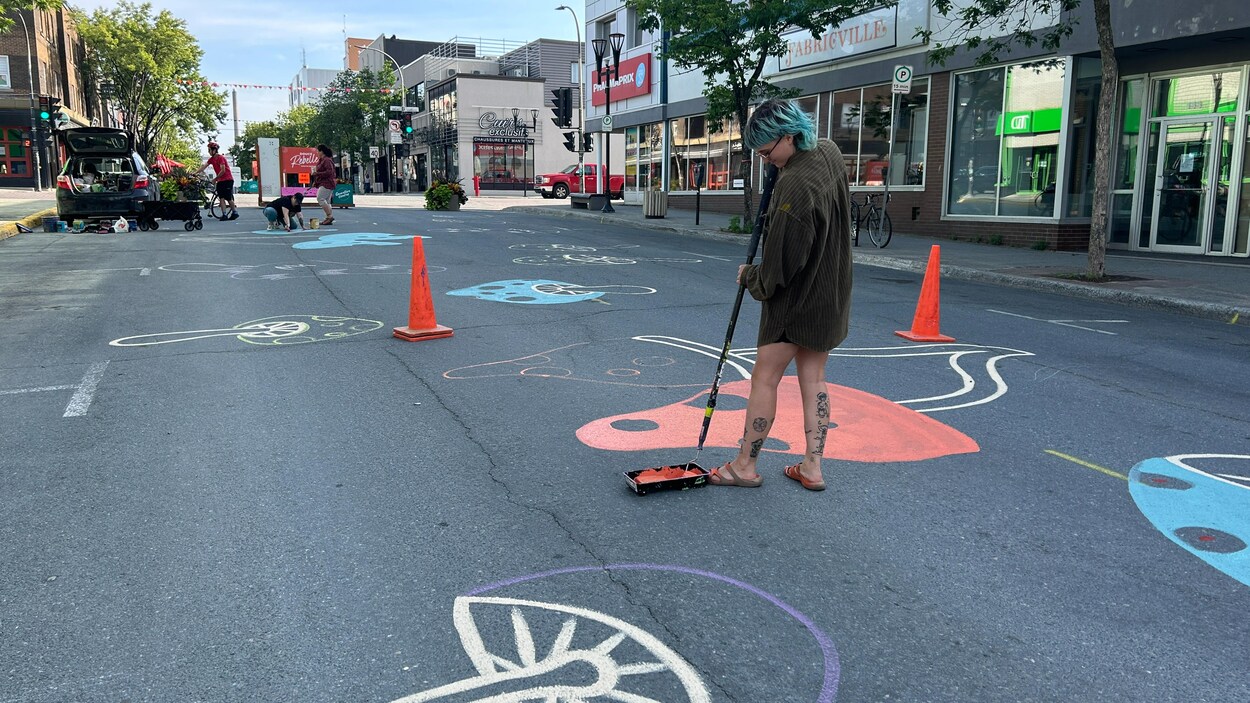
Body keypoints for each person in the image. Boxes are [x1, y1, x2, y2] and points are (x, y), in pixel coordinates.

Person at [708, 98, 853, 492]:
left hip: (797, 300)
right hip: (831, 288)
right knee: (814, 377)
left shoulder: (793, 188)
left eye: (767, 152)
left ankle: (745, 464)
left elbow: (779, 271)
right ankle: (813, 466)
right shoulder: (828, 150)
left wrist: (751, 276)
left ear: (788, 135)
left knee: (765, 379)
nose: (766, 160)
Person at [191, 141, 238, 221]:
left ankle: (234, 212)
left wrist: (215, 179)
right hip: (220, 180)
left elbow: (223, 170)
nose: (209, 152)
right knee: (221, 197)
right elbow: (204, 167)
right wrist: (195, 173)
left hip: (227, 180)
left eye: (209, 150)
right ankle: (224, 215)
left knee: (228, 198)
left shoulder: (221, 158)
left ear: (214, 150)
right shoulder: (211, 159)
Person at [312, 144, 337, 226]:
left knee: (320, 198)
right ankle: (328, 217)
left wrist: (317, 173)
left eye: (318, 151)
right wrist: (316, 181)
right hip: (326, 182)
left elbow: (329, 172)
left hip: (327, 183)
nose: (317, 153)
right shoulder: (322, 160)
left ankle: (329, 216)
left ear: (321, 151)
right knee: (327, 201)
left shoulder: (326, 160)